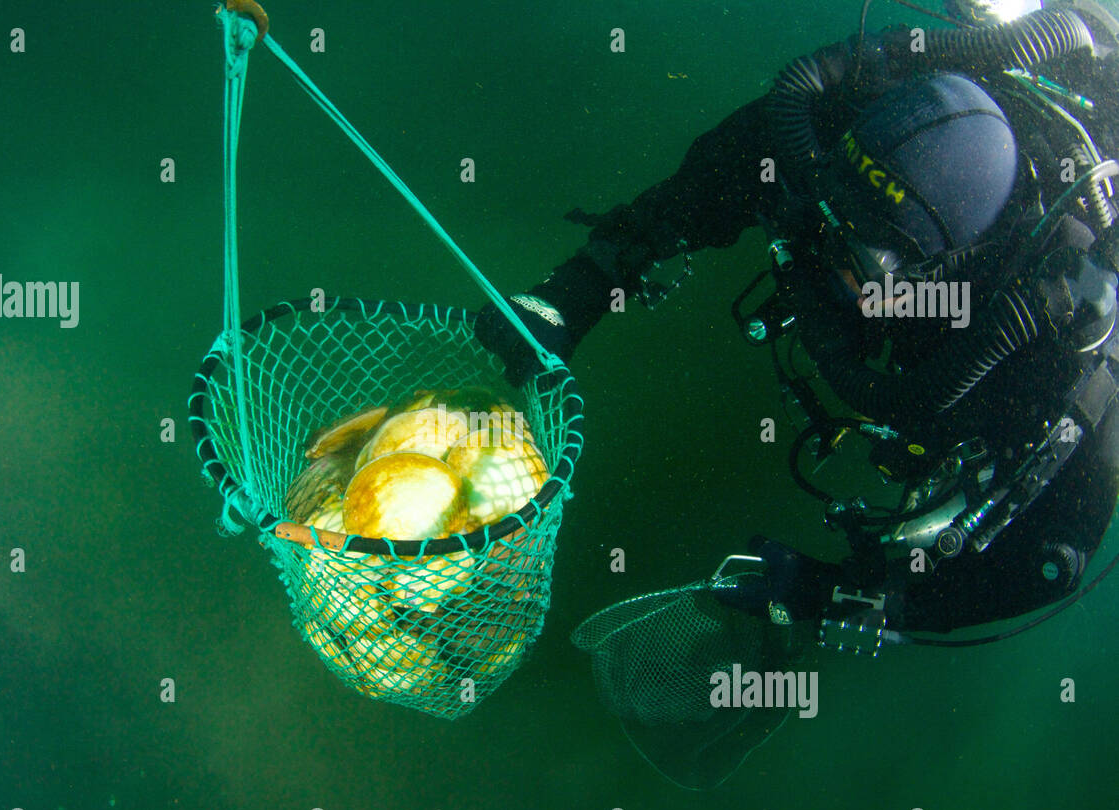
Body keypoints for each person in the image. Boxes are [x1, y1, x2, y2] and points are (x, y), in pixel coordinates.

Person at [475, 0, 1119, 637]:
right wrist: (583, 286)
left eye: (863, 262)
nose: (826, 259)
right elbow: (731, 162)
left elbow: (1046, 565)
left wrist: (837, 595)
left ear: (949, 274)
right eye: (829, 220)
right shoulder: (868, 123)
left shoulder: (1057, 343)